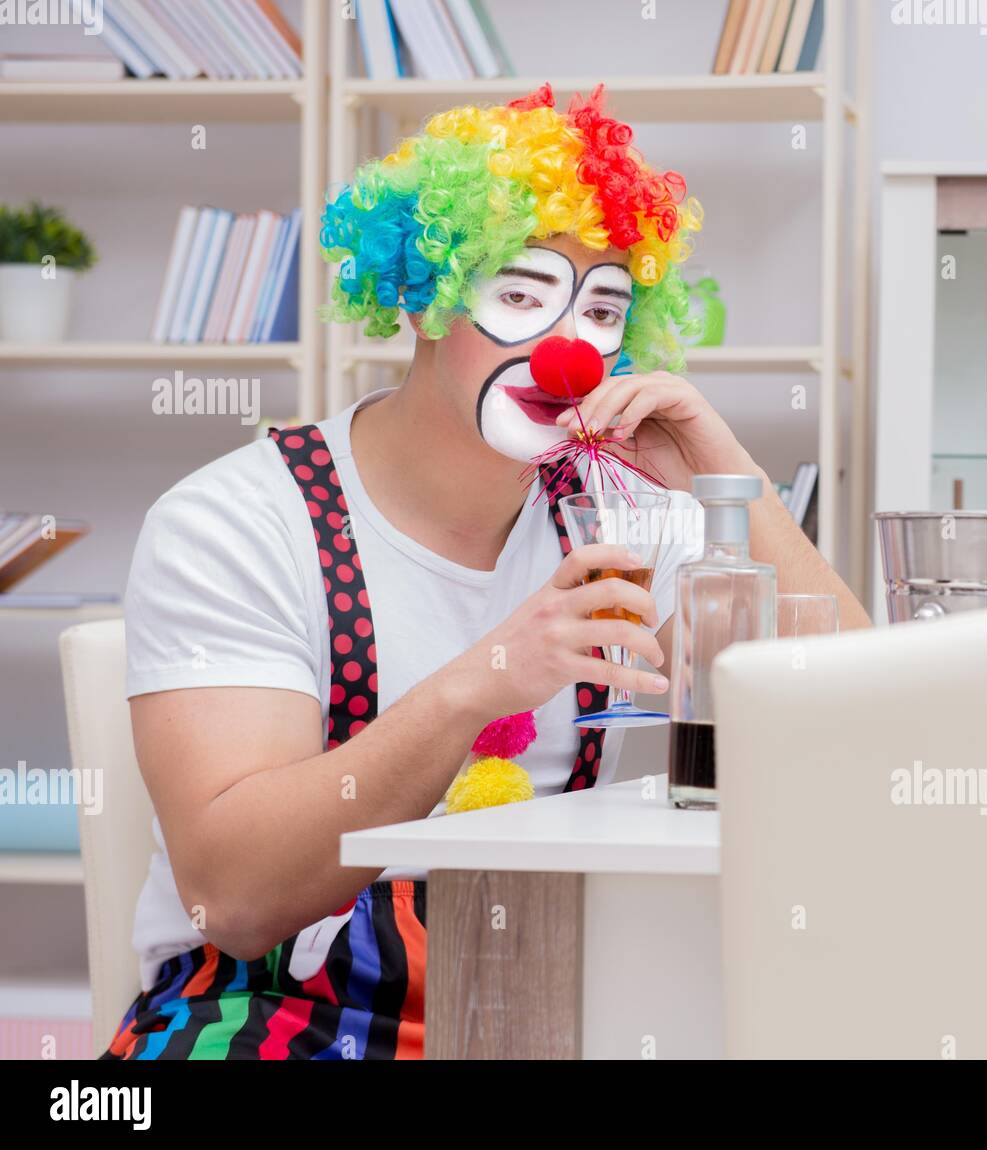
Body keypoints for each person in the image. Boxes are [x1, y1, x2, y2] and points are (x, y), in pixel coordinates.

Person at [103, 84, 870, 1060]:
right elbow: (236, 899)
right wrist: (482, 682)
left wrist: (728, 478)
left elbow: (858, 722)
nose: (568, 352)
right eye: (519, 296)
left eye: (601, 311)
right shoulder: (239, 521)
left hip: (549, 989)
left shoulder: (625, 515)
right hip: (282, 1012)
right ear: (423, 297)